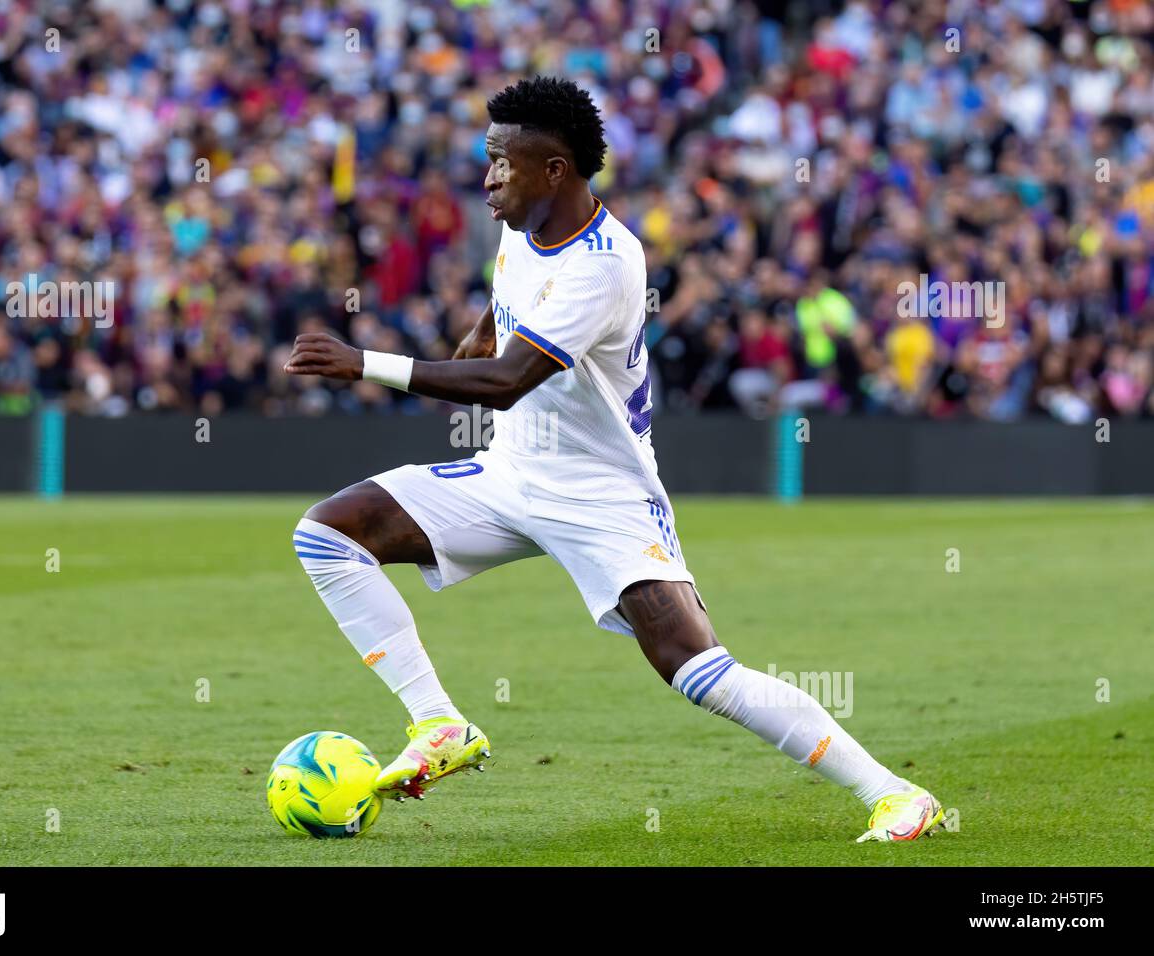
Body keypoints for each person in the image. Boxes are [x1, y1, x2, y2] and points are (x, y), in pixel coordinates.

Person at [285, 76, 944, 842]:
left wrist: (365, 362)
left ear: (554, 169)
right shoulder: (519, 222)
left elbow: (504, 383)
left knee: (697, 670)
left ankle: (894, 793)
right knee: (328, 534)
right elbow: (507, 319)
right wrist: (483, 328)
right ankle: (439, 724)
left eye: (502, 160)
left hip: (602, 495)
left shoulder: (606, 260)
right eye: (488, 157)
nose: (488, 176)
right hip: (512, 473)